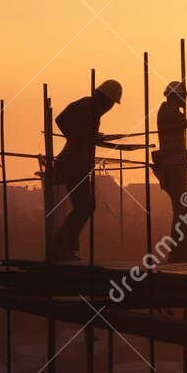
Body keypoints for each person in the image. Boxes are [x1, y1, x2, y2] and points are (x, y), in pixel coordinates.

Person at [48, 78, 123, 262]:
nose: (110, 108)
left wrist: (90, 136)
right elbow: (61, 120)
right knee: (85, 206)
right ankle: (60, 245)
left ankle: (68, 246)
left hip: (80, 165)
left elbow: (84, 134)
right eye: (110, 103)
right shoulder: (85, 106)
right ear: (103, 99)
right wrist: (81, 136)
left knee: (85, 206)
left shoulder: (94, 112)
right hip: (72, 164)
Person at [153, 80, 187, 262]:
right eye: (183, 97)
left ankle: (185, 250)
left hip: (174, 165)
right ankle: (183, 251)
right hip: (172, 167)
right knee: (184, 207)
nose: (185, 101)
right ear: (176, 97)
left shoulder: (170, 112)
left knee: (183, 207)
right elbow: (179, 124)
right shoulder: (168, 112)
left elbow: (177, 137)